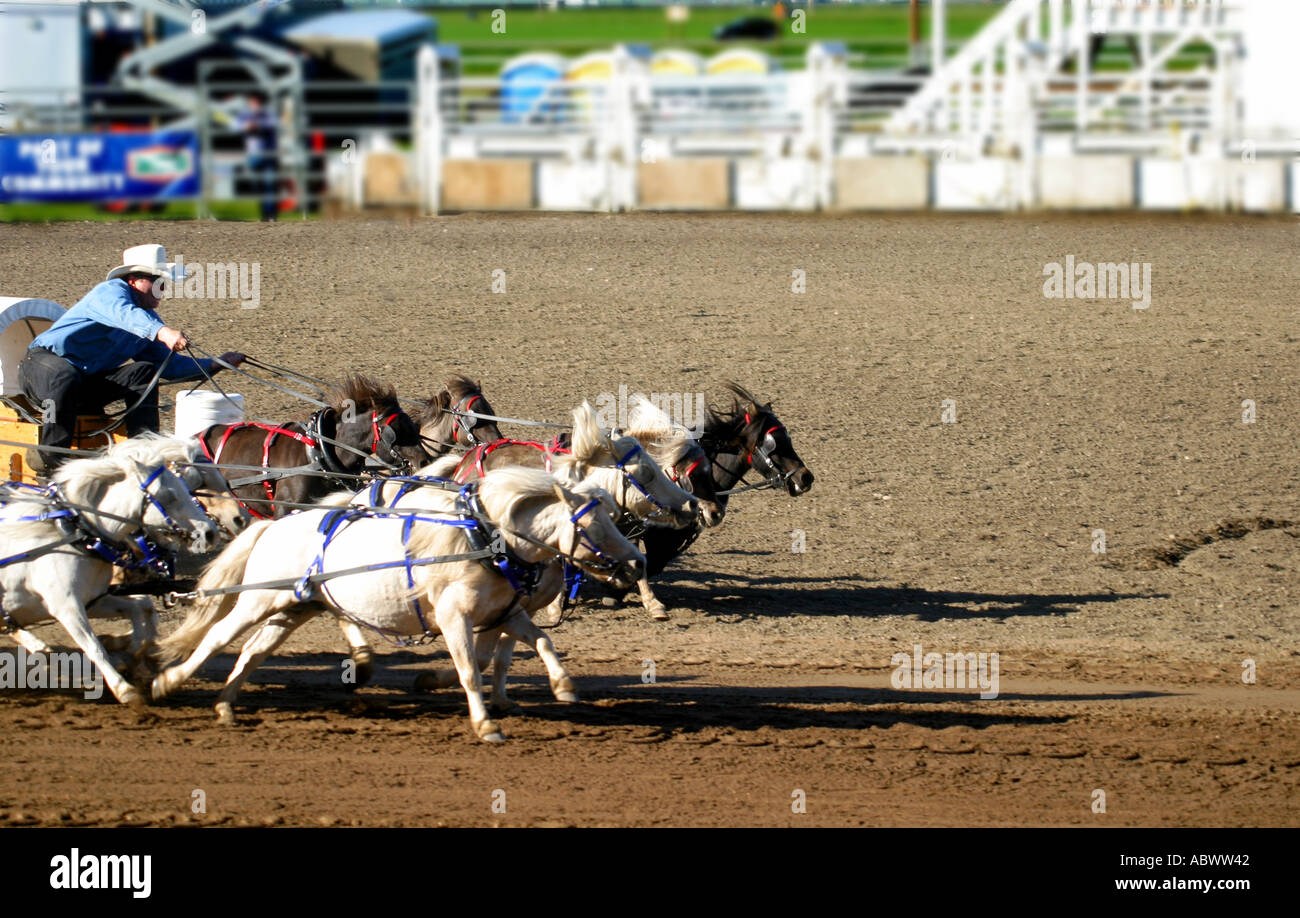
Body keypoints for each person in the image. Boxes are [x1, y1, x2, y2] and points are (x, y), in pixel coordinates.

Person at [18, 244, 247, 472]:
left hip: (82, 386)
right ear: (133, 280)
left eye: (164, 283)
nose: (163, 288)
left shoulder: (147, 320)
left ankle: (143, 453)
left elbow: (169, 365)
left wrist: (217, 363)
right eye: (157, 281)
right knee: (62, 374)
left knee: (145, 370)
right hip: (41, 371)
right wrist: (163, 332)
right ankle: (51, 459)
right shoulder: (110, 292)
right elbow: (124, 314)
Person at [238, 94, 279, 222]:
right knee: (258, 186)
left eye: (256, 102)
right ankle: (264, 214)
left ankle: (271, 214)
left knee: (270, 184)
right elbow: (235, 126)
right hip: (253, 156)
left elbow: (274, 123)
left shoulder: (268, 114)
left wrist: (257, 125)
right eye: (252, 102)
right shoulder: (245, 115)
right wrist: (246, 126)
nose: (254, 105)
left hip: (268, 155)